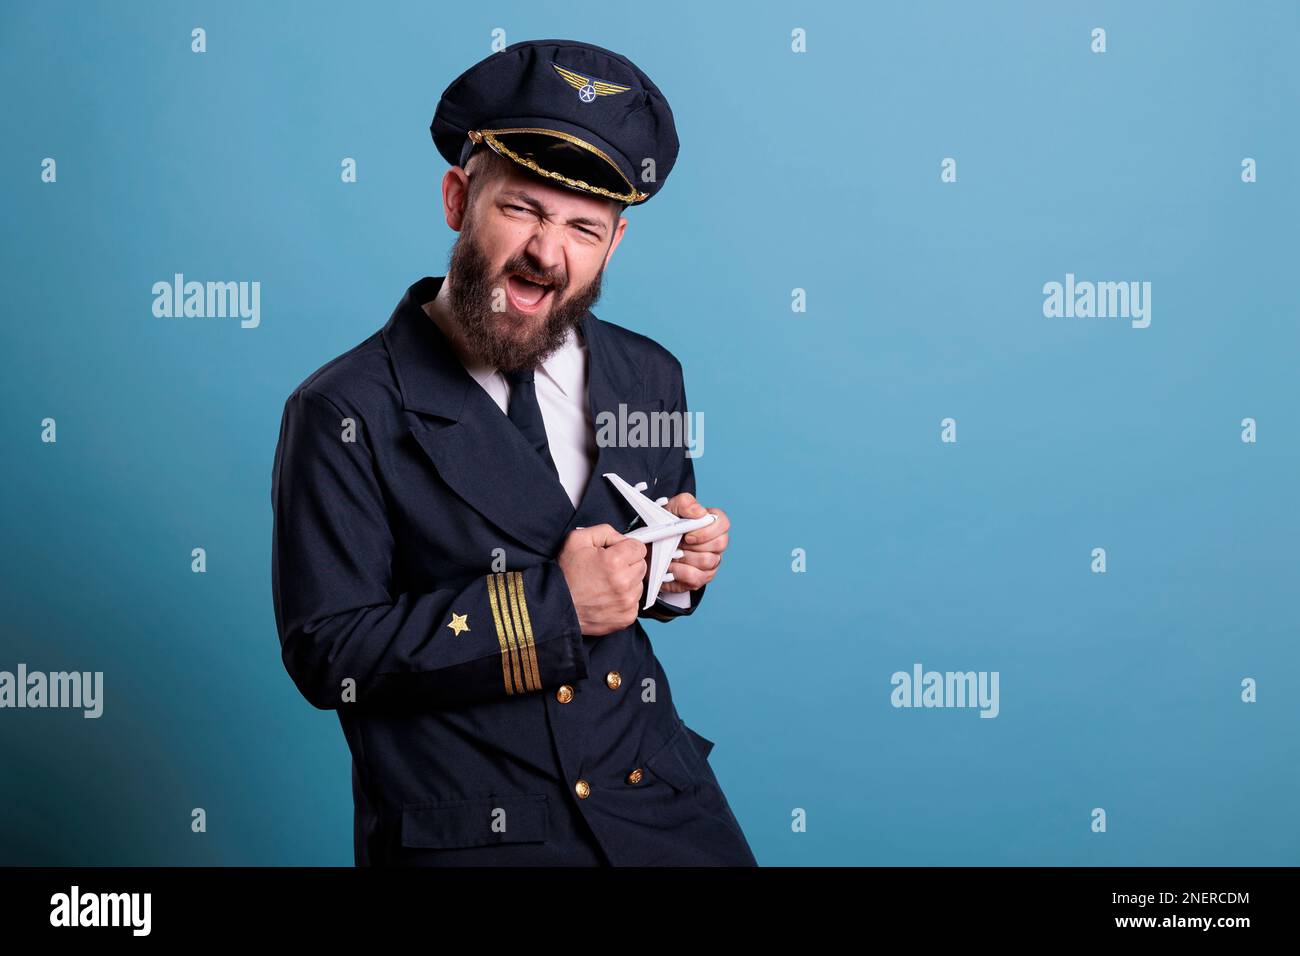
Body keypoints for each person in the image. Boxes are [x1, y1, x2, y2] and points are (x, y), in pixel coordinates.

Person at [270, 38, 756, 865]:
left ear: (615, 246)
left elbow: (642, 586)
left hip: (662, 810)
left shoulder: (650, 375)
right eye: (523, 209)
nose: (547, 251)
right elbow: (328, 653)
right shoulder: (342, 408)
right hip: (473, 836)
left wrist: (678, 571)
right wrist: (554, 608)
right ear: (459, 199)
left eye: (582, 227)